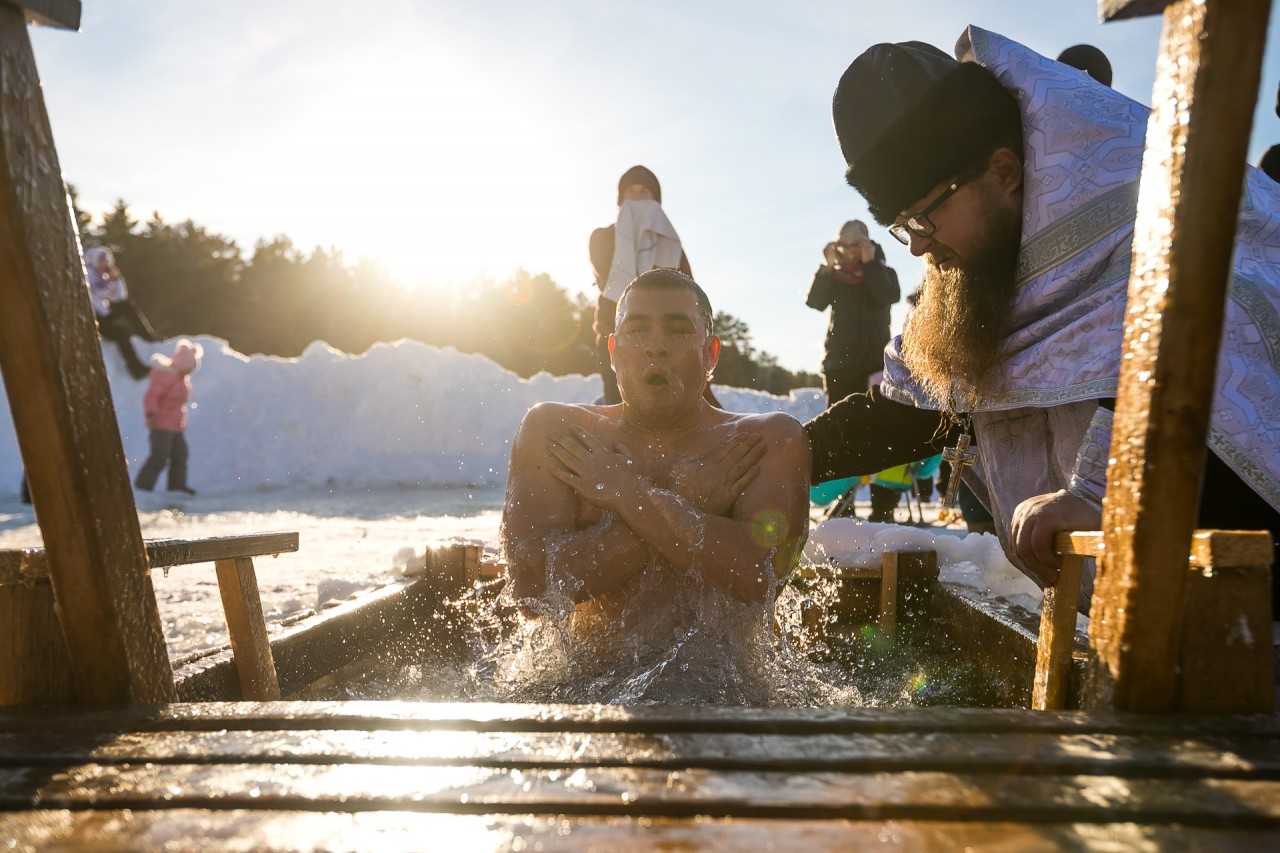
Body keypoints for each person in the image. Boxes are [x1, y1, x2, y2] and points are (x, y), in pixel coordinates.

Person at [807, 28, 1280, 612]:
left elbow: (1213, 363)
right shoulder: (991, 266)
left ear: (1004, 172)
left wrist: (1107, 493)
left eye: (924, 218)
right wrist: (788, 449)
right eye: (903, 226)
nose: (918, 246)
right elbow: (918, 407)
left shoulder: (1157, 231)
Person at [502, 269, 809, 627]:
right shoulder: (559, 433)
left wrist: (627, 493)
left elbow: (761, 580)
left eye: (678, 330)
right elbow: (531, 590)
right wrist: (685, 501)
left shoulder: (763, 441)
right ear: (613, 352)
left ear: (710, 354)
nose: (655, 346)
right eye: (637, 330)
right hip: (587, 664)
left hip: (719, 666)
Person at [589, 166, 714, 406]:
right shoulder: (603, 236)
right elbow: (604, 271)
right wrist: (627, 232)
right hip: (613, 329)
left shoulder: (669, 243)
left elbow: (689, 290)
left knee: (663, 400)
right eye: (631, 192)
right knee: (618, 400)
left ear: (655, 202)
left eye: (644, 192)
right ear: (621, 200)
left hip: (665, 336)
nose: (637, 198)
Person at [807, 219, 900, 521]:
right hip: (839, 365)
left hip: (874, 364)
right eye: (843, 245)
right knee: (839, 434)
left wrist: (870, 264)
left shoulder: (883, 272)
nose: (849, 252)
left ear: (867, 244)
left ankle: (883, 508)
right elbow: (815, 302)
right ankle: (843, 507)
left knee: (881, 432)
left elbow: (888, 295)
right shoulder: (834, 277)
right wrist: (826, 267)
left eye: (856, 245)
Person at [135, 339, 203, 494]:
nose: (189, 373)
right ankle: (142, 488)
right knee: (159, 457)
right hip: (161, 424)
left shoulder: (180, 378)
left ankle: (177, 487)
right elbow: (151, 397)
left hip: (176, 425)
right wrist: (151, 413)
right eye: (188, 369)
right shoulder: (165, 376)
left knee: (180, 454)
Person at [84, 246, 158, 380]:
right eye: (101, 261)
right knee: (121, 333)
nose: (104, 263)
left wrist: (116, 279)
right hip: (95, 317)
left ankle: (147, 336)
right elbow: (91, 299)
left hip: (104, 313)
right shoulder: (87, 274)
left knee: (127, 306)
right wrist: (104, 307)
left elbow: (120, 297)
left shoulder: (104, 276)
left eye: (106, 260)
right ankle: (136, 369)